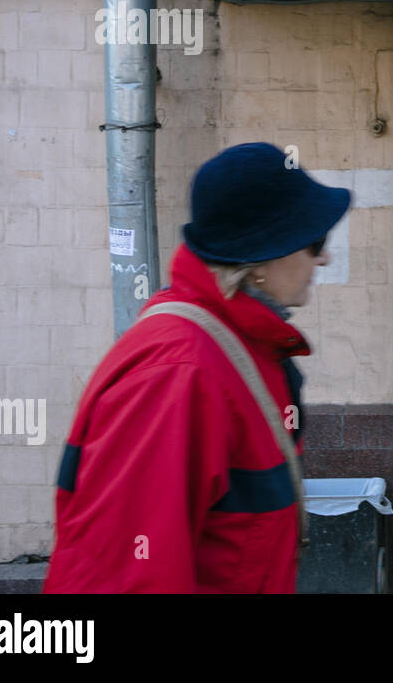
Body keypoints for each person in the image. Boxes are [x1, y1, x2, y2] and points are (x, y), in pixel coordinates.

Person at [43, 142, 351, 593]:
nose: (323, 258)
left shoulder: (245, 349)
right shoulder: (179, 372)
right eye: (314, 241)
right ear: (262, 257)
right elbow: (126, 578)